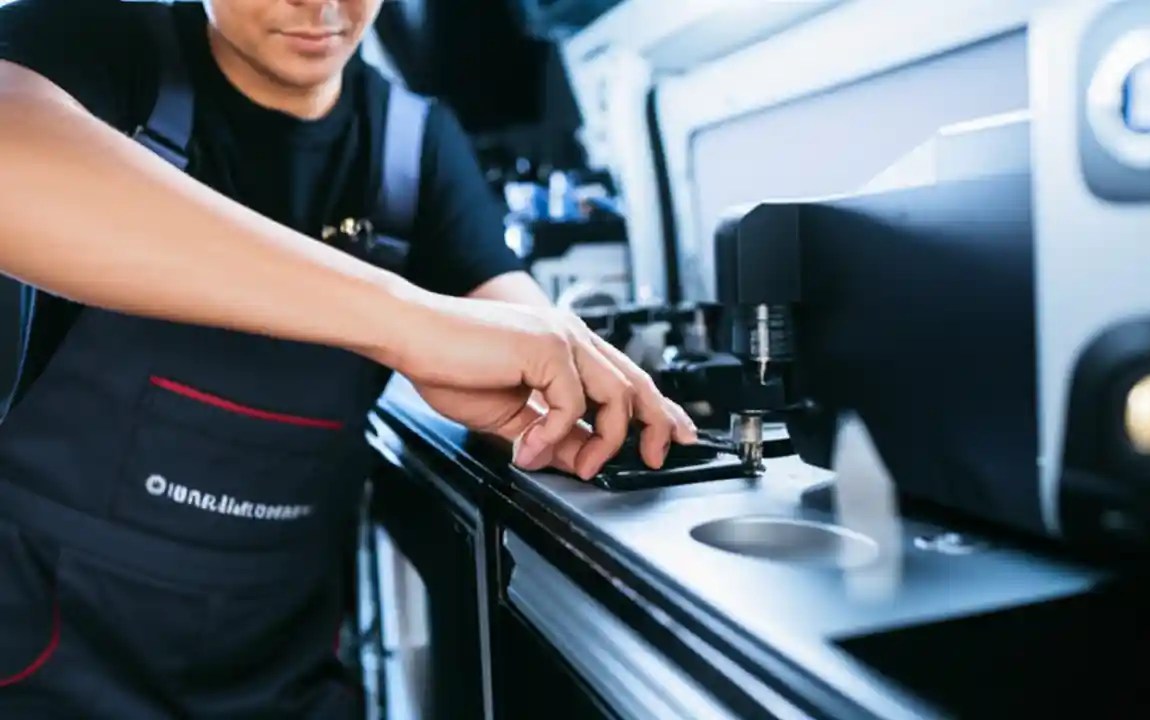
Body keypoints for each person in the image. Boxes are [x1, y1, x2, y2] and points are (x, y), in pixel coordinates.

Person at [0, 0, 696, 716]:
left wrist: (558, 400)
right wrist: (407, 320)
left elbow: (517, 335)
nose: (322, 6)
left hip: (280, 671)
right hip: (54, 659)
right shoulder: (95, 41)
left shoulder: (412, 144)